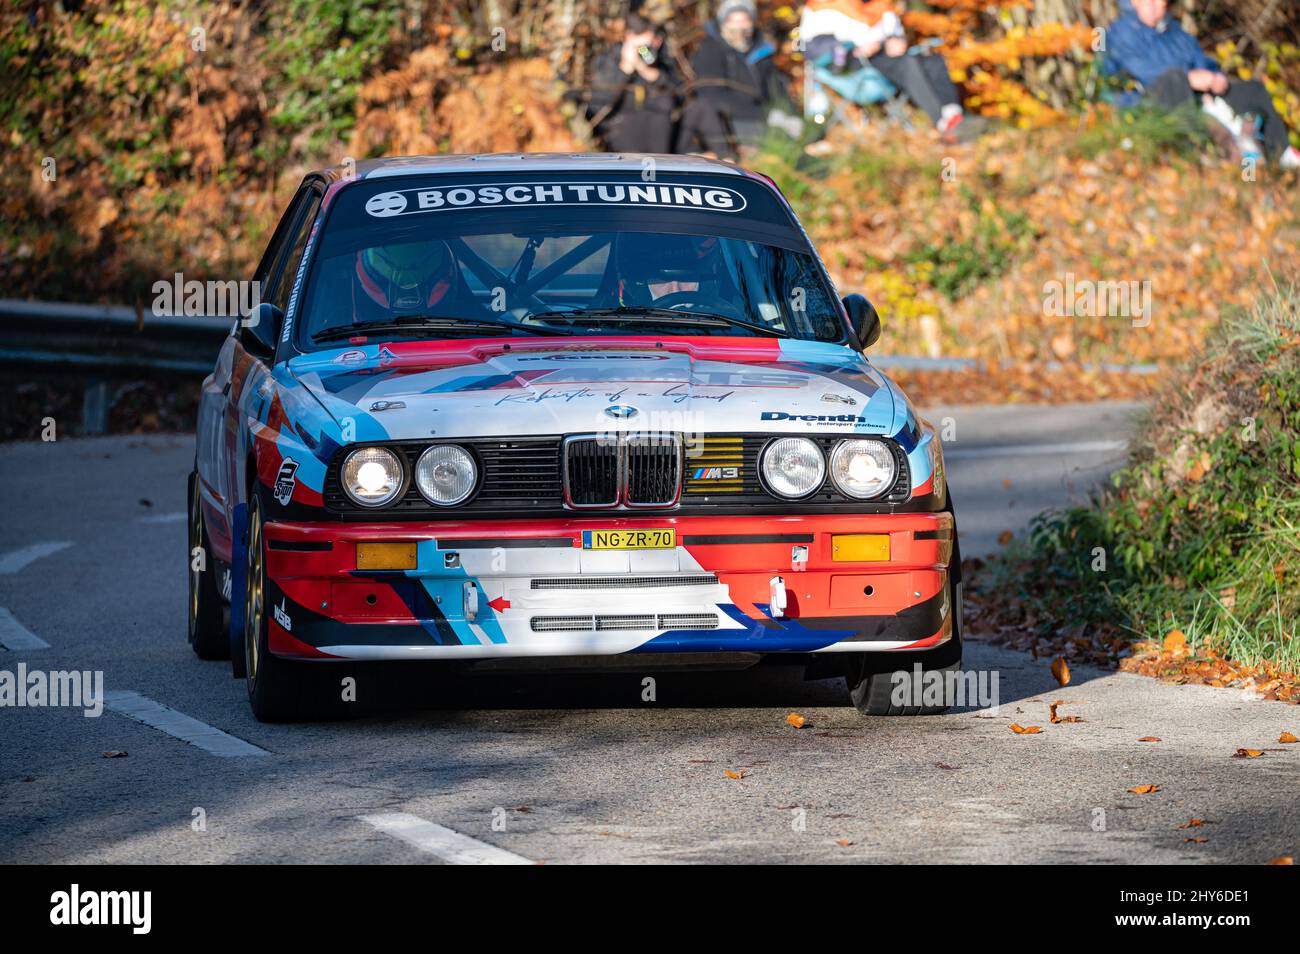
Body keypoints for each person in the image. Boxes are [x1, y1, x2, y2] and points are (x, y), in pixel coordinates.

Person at [1103, 0, 1300, 168]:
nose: (1157, 6)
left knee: (1252, 90)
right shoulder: (1121, 32)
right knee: (1175, 80)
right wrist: (1188, 78)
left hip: (1195, 94)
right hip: (1146, 100)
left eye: (1160, 1)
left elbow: (1199, 58)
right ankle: (1197, 155)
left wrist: (1214, 77)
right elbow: (1138, 70)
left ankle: (1280, 155)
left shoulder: (1174, 31)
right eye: (1150, 1)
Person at [799, 0, 983, 142]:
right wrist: (851, 48)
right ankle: (942, 123)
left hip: (885, 55)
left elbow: (893, 33)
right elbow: (813, 49)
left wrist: (896, 40)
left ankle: (953, 113)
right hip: (854, 66)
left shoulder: (881, 6)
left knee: (933, 60)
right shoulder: (822, 7)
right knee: (907, 64)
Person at [688, 0, 802, 148]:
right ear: (723, 22)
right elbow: (711, 95)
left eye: (744, 20)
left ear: (752, 22)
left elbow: (777, 89)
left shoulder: (762, 51)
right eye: (733, 20)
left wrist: (789, 115)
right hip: (729, 125)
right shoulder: (709, 50)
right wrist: (765, 115)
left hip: (765, 121)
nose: (739, 27)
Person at [586, 15, 683, 154]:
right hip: (620, 129)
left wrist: (645, 69)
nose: (645, 50)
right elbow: (599, 104)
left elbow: (678, 93)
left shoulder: (658, 58)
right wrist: (625, 68)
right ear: (628, 37)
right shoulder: (608, 60)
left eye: (649, 44)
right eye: (641, 46)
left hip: (656, 130)